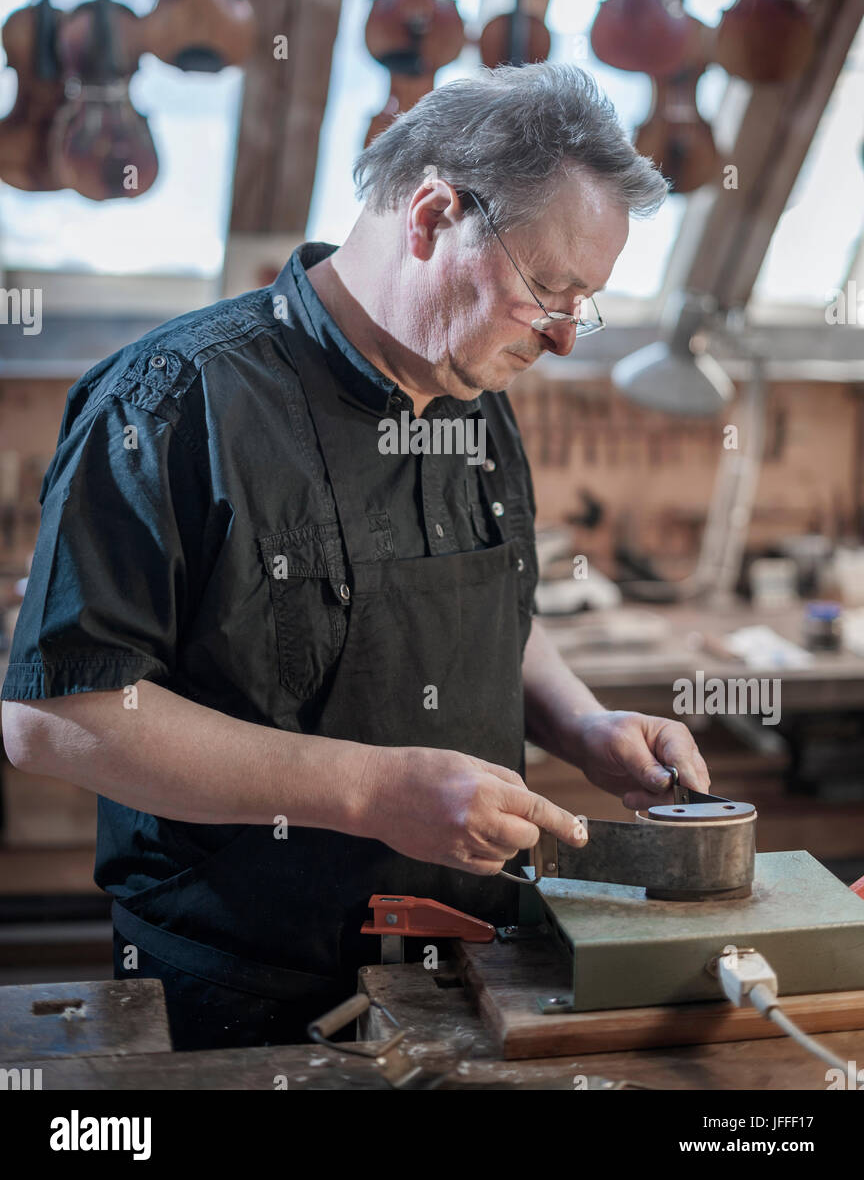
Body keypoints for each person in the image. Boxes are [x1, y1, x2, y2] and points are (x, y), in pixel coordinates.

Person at [1, 64, 710, 1050]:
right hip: (244, 1002)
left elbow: (492, 609)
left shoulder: (474, 395)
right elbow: (54, 714)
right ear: (431, 215)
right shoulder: (172, 401)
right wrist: (373, 791)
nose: (562, 339)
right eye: (550, 290)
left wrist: (584, 725)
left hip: (477, 970)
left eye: (583, 303)